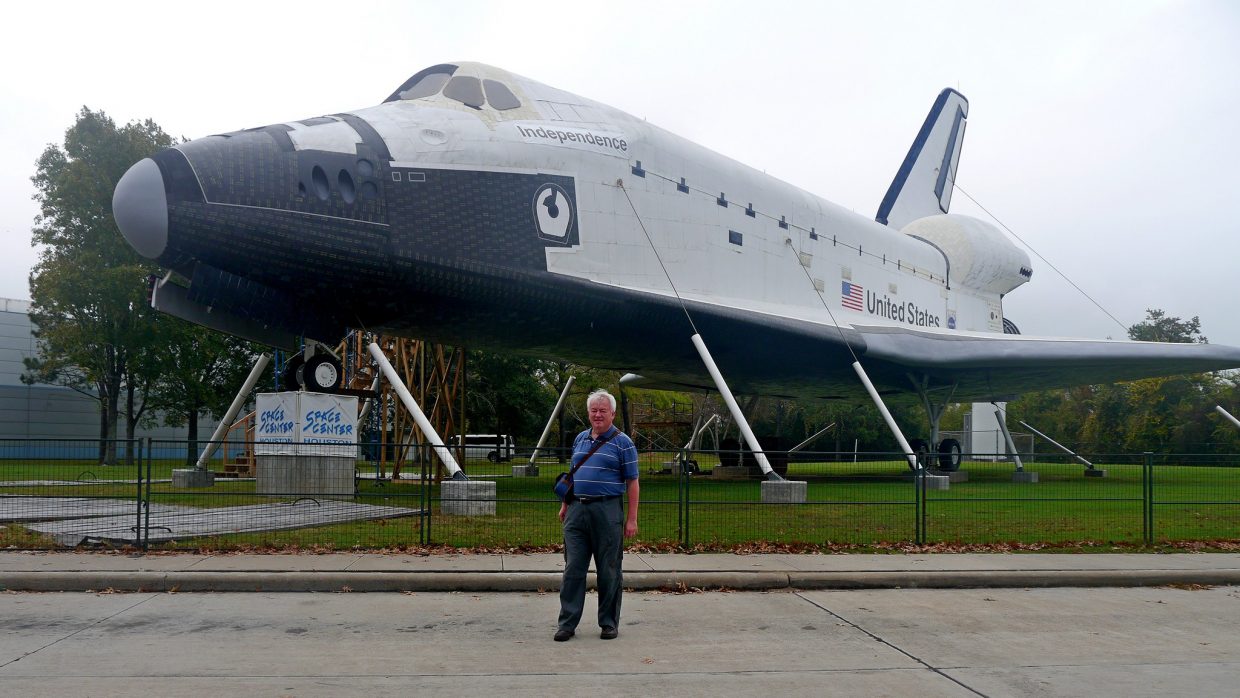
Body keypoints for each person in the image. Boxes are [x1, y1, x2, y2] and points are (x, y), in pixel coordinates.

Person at [554, 388, 639, 642]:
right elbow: (572, 475)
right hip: (577, 510)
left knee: (609, 570)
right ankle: (567, 623)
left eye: (603, 411)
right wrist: (565, 505)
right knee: (573, 569)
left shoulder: (623, 443)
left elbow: (632, 482)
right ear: (588, 413)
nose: (598, 415)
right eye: (594, 410)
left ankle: (609, 623)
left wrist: (631, 519)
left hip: (607, 510)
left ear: (612, 413)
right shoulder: (580, 439)